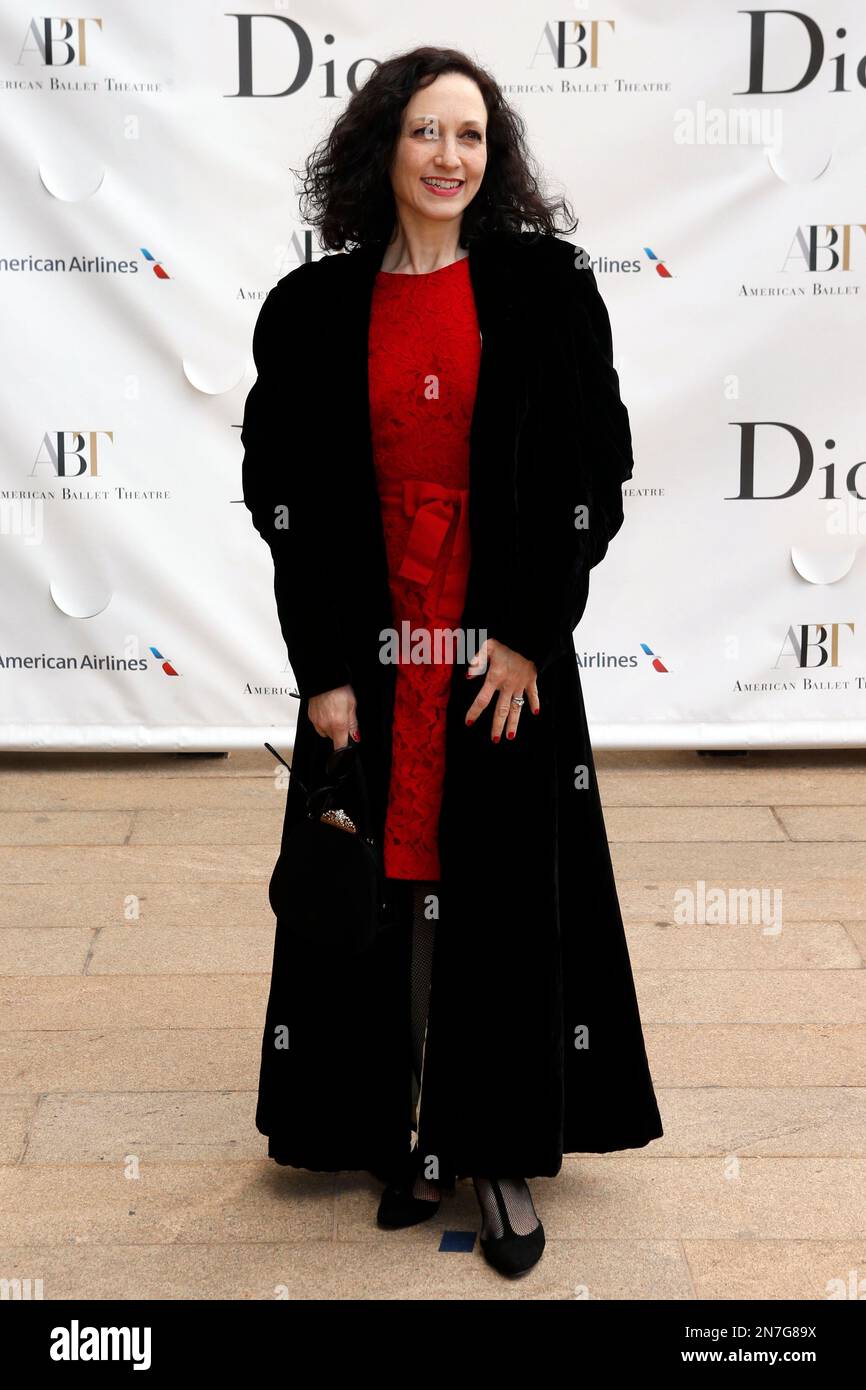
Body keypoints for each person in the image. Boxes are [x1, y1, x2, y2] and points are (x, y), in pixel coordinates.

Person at [241, 45, 663, 1280]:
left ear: (496, 154)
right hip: (372, 640)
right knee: (380, 880)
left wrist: (531, 632)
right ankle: (399, 1129)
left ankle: (491, 1147)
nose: (447, 157)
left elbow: (593, 473)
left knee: (492, 893)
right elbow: (286, 498)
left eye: (470, 135)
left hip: (496, 645)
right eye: (425, 132)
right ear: (382, 147)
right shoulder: (311, 306)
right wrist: (322, 668)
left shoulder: (545, 285)